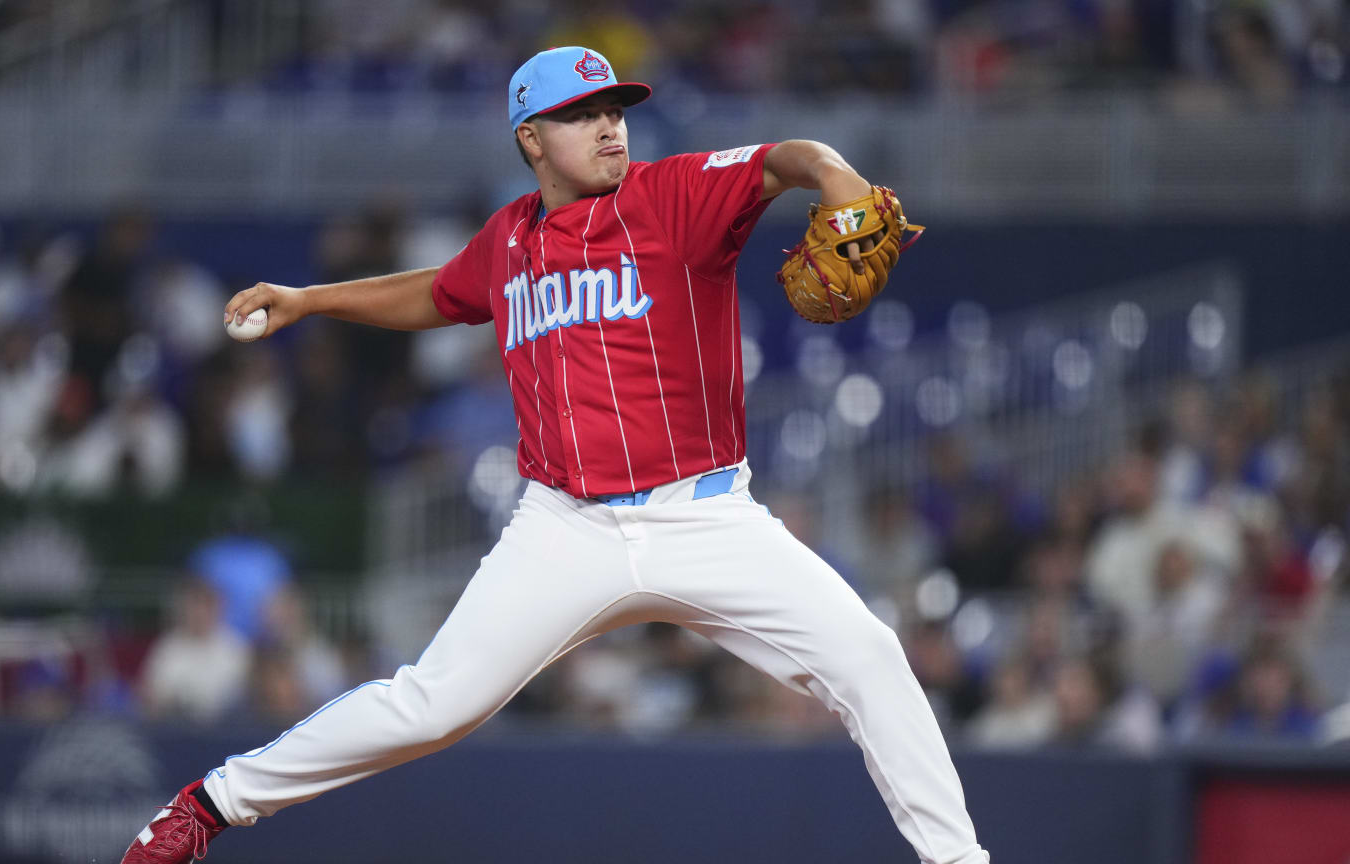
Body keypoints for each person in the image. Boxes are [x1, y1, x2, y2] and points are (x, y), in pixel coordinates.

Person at [122, 46, 991, 864]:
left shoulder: (676, 193)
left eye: (615, 109)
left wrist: (839, 178)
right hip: (563, 528)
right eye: (583, 115)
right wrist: (311, 300)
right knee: (433, 705)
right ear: (531, 139)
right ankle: (209, 806)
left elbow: (790, 157)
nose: (610, 127)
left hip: (705, 513)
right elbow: (436, 291)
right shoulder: (506, 241)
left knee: (870, 658)